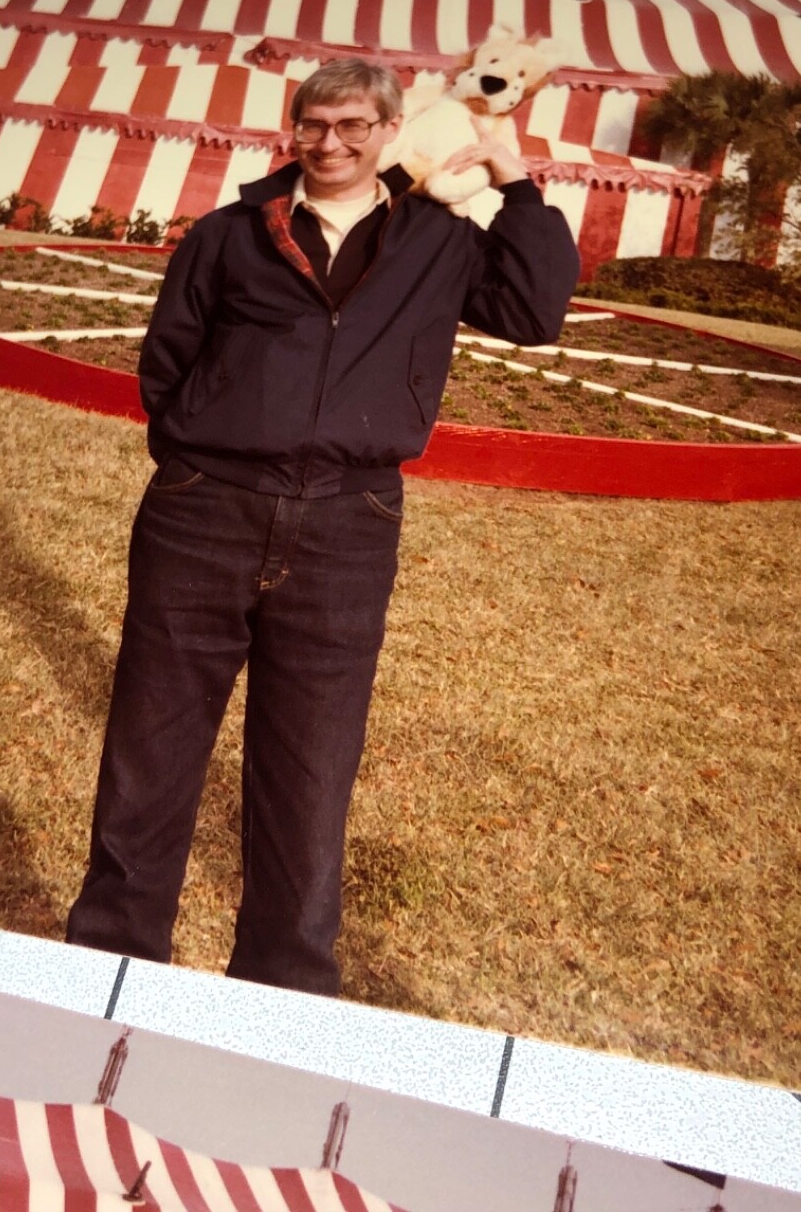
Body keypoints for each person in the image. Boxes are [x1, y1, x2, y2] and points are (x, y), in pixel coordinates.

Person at [65, 56, 580, 995]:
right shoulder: (231, 232)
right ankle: (109, 971)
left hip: (349, 525)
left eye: (352, 127)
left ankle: (284, 996)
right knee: (151, 751)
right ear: (294, 129)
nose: (330, 143)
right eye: (313, 124)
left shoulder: (437, 241)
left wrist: (514, 181)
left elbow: (534, 310)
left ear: (388, 132)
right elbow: (169, 359)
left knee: (310, 772)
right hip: (204, 514)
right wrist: (207, 454)